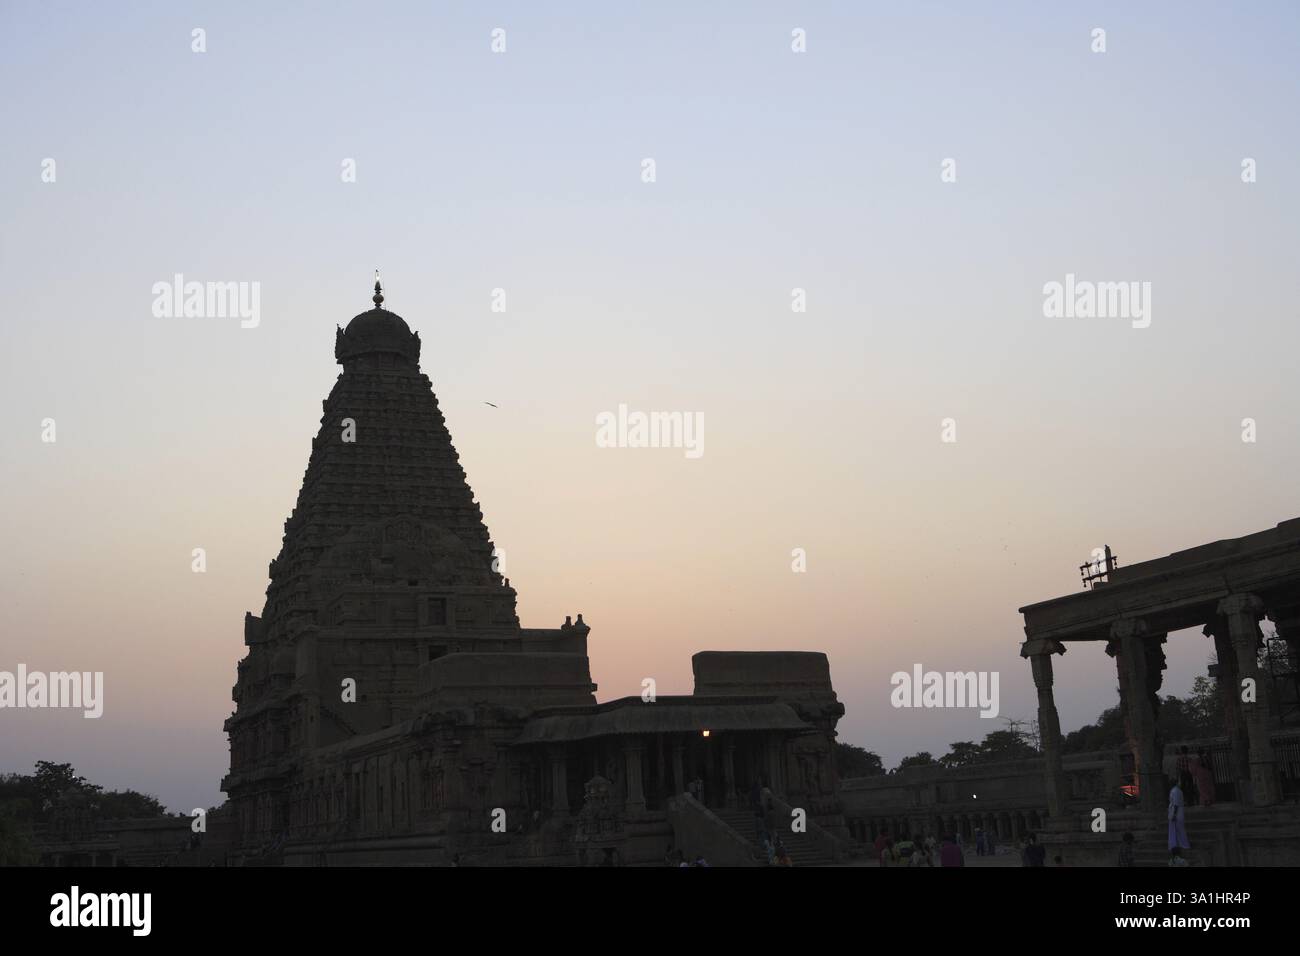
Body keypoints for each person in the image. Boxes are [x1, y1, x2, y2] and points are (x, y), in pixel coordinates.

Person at [1168, 780, 1190, 852]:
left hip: (1177, 812)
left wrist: (1174, 814)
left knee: (1179, 829)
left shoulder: (1175, 791)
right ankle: (1177, 844)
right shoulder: (1177, 790)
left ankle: (1183, 844)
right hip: (1176, 811)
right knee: (1177, 829)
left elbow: (1176, 804)